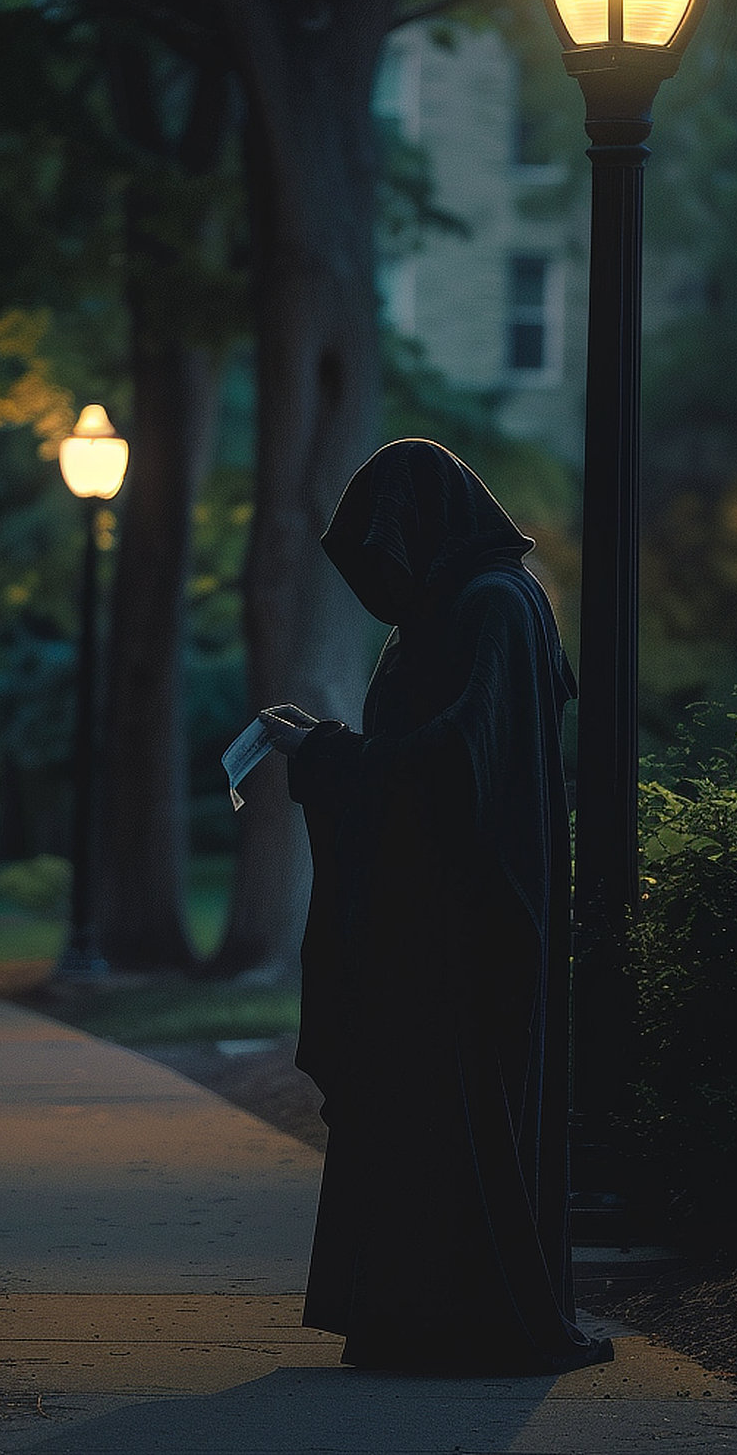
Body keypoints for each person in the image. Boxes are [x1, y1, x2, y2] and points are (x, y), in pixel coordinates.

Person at [257, 438, 611, 1375]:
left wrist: (326, 757)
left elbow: (457, 766)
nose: (383, 580)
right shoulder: (453, 611)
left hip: (470, 924)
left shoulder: (495, 605)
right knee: (414, 1115)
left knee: (458, 1116)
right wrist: (327, 748)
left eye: (390, 553)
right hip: (425, 920)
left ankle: (468, 1322)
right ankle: (415, 1317)